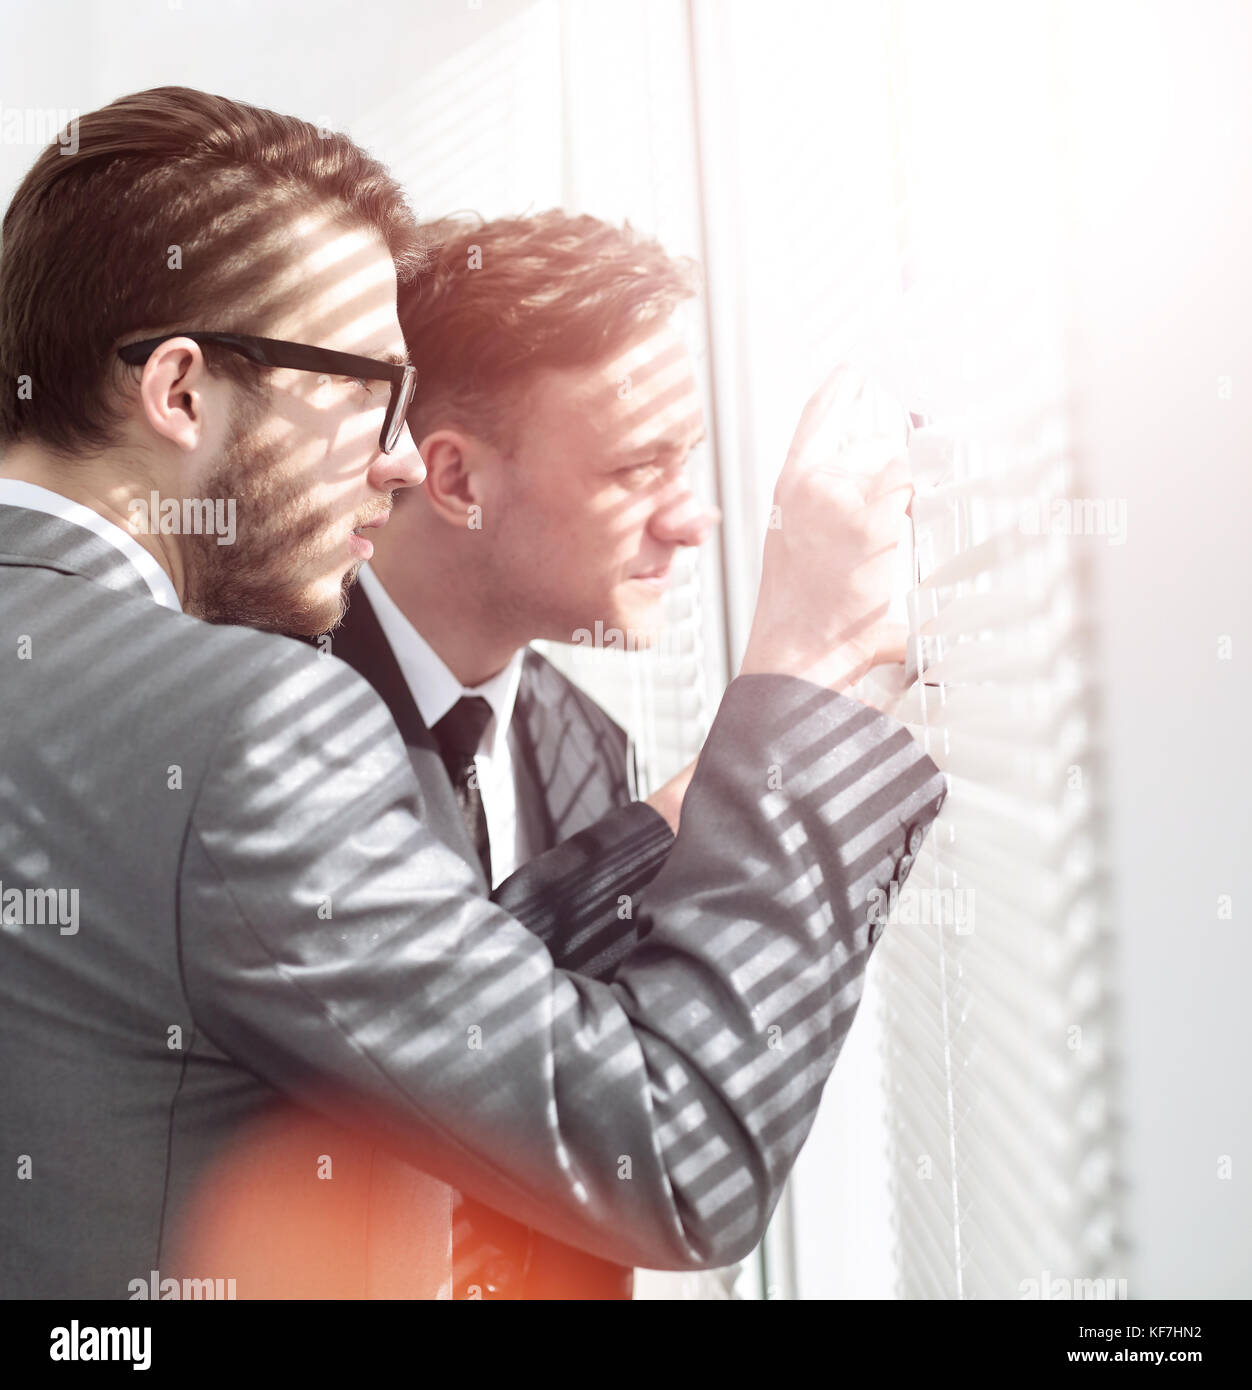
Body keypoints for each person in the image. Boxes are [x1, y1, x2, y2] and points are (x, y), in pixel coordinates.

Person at [0, 86, 946, 1299]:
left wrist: (666, 830)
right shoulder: (252, 721)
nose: (395, 457)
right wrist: (803, 680)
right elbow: (678, 1148)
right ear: (181, 392)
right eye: (367, 392)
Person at [326, 210, 717, 1299]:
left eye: (688, 461)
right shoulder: (270, 719)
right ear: (455, 482)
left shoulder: (592, 745)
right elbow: (403, 1059)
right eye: (641, 467)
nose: (693, 520)